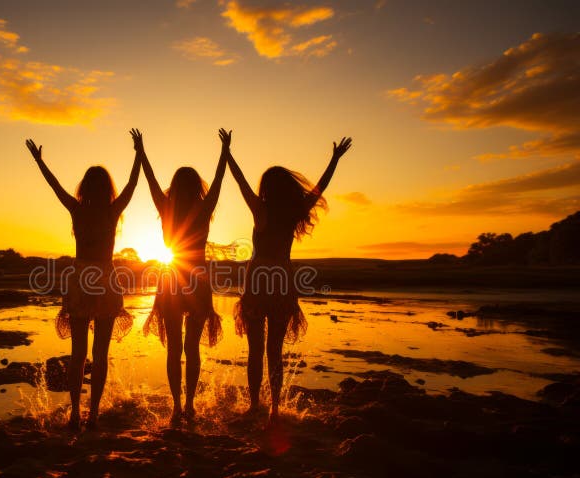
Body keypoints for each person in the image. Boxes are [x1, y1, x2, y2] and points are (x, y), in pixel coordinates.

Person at [228, 135, 352, 424]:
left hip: (259, 281)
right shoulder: (294, 211)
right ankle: (273, 408)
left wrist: (227, 152)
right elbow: (320, 188)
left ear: (266, 189)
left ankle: (255, 405)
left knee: (256, 351)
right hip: (282, 281)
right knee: (275, 351)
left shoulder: (261, 210)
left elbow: (240, 182)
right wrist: (334, 159)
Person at [25, 131, 142, 430]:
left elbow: (55, 186)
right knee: (99, 355)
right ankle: (93, 414)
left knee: (78, 355)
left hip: (81, 279)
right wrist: (139, 153)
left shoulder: (77, 209)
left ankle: (76, 413)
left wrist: (40, 161)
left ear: (85, 188)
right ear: (107, 189)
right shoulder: (112, 211)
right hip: (103, 279)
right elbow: (131, 186)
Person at [136, 128, 230, 425]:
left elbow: (150, 181)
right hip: (197, 278)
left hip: (172, 278)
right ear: (195, 188)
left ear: (174, 187)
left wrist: (140, 151)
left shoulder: (166, 208)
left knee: (176, 347)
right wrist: (225, 152)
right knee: (190, 347)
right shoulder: (203, 209)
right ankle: (188, 403)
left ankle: (178, 405)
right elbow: (217, 183)